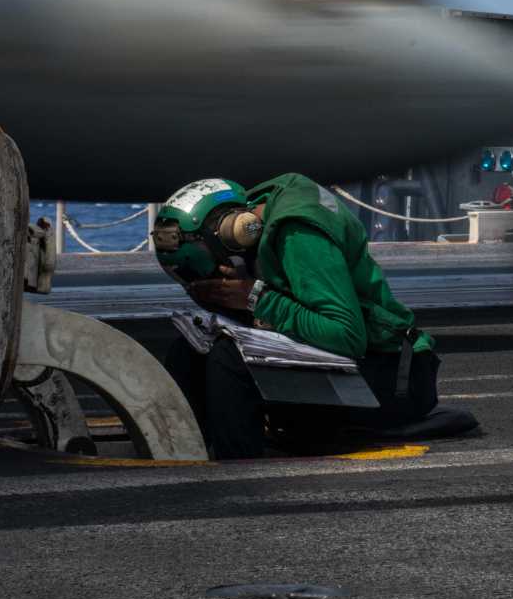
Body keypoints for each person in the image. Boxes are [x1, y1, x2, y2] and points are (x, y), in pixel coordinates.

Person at [152, 174, 442, 459]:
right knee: (189, 351)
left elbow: (346, 335)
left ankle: (238, 469)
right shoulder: (256, 208)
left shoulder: (299, 236)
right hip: (366, 370)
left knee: (229, 359)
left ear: (235, 231)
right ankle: (183, 457)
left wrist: (257, 298)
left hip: (396, 381)